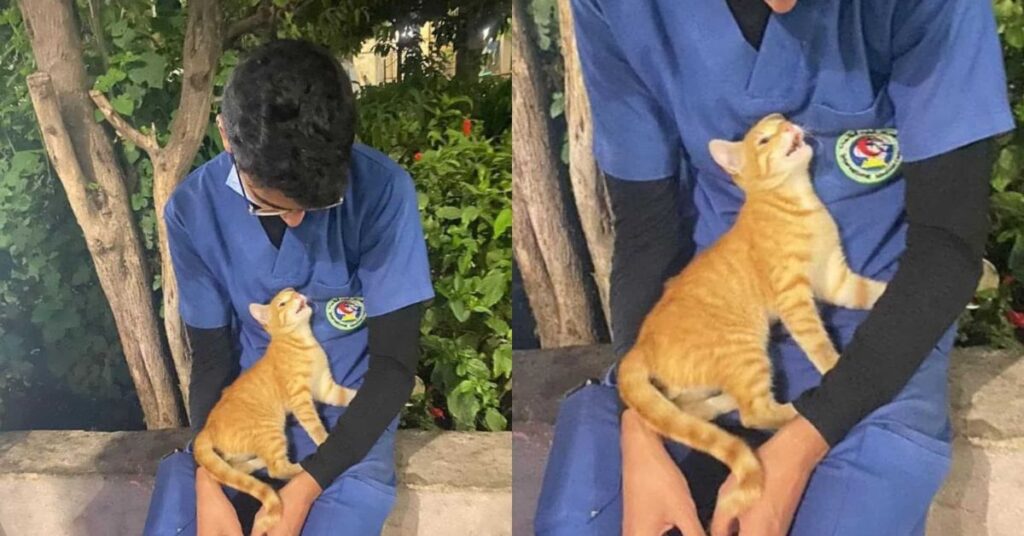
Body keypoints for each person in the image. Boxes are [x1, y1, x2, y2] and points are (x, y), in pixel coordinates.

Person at [534, 0, 1015, 535]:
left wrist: (801, 448)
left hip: (876, 358)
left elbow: (946, 247)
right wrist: (642, 425)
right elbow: (649, 233)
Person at [142, 39, 433, 536]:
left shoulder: (382, 191)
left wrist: (304, 489)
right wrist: (210, 477)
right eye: (270, 205)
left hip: (348, 435)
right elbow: (212, 361)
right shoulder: (193, 211)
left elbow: (393, 366)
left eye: (316, 207)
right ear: (225, 136)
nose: (296, 221)